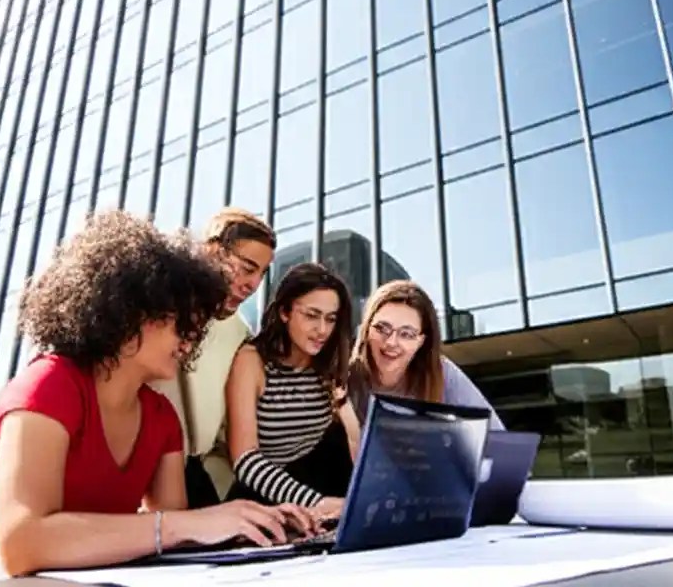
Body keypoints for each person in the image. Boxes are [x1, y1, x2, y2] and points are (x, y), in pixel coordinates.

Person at [0, 211, 315, 585]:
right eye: (182, 325)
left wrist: (252, 523)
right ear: (132, 313)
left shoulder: (161, 420)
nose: (191, 340)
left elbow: (168, 535)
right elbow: (21, 546)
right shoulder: (49, 384)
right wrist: (188, 524)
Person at [148, 207, 276, 509]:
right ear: (212, 251)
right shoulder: (152, 305)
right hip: (136, 476)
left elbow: (226, 433)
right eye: (246, 268)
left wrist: (216, 488)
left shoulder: (240, 334)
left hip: (196, 484)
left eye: (261, 274)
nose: (253, 285)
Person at [224, 262, 360, 516]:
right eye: (311, 315)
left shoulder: (330, 364)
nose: (322, 330)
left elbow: (353, 442)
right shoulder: (252, 360)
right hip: (270, 495)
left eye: (331, 319)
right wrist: (314, 503)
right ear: (285, 312)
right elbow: (244, 459)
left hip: (330, 489)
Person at [347, 280, 504, 430]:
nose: (391, 342)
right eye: (382, 328)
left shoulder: (441, 373)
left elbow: (495, 436)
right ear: (366, 329)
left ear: (421, 341)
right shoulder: (343, 374)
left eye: (406, 334)